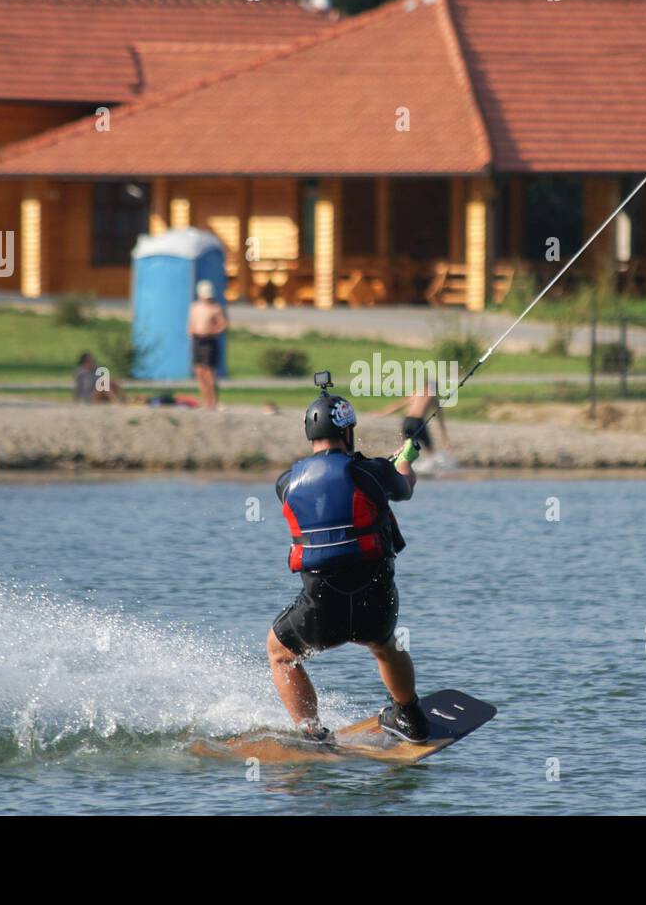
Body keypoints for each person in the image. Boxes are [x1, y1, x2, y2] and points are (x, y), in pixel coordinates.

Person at [266, 376, 429, 743]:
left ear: (311, 436)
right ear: (348, 431)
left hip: (322, 602)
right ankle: (410, 718)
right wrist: (403, 462)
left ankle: (311, 733)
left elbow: (332, 493)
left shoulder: (285, 483)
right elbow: (402, 487)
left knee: (280, 654)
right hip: (374, 593)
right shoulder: (372, 472)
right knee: (387, 646)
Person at [376, 378, 450, 457]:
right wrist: (445, 439)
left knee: (406, 449)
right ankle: (433, 463)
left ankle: (396, 461)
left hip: (407, 421)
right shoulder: (434, 398)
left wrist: (381, 413)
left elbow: (398, 405)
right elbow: (440, 421)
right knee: (430, 451)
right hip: (418, 422)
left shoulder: (416, 393)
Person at [188, 279, 227, 409]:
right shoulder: (194, 307)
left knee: (209, 372)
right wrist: (191, 331)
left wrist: (212, 331)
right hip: (197, 340)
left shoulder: (215, 308)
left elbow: (222, 325)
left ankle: (213, 401)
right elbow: (191, 324)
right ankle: (205, 400)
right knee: (199, 371)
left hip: (209, 341)